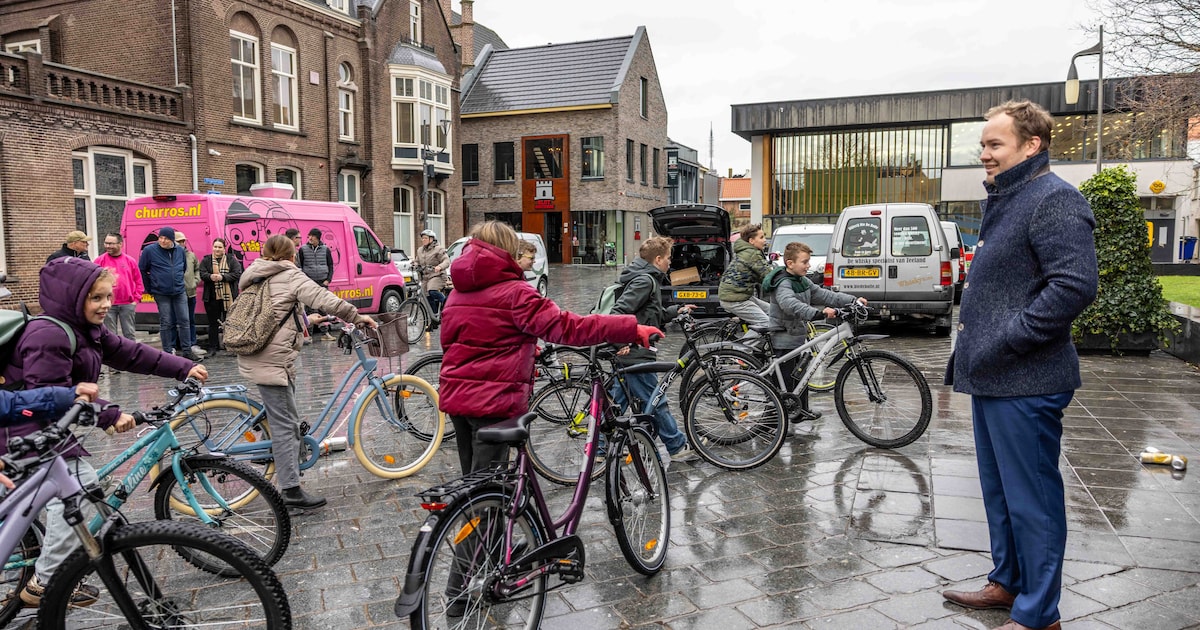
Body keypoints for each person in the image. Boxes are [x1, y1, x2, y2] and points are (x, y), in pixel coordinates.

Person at [940, 100, 1097, 630]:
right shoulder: (1010, 197)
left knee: (1033, 500)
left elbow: (1074, 286)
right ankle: (1008, 582)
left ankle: (1039, 613)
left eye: (995, 144)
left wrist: (1009, 340)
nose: (984, 154)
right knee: (1001, 492)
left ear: (1032, 145)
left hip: (1027, 378)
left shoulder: (1054, 199)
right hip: (994, 376)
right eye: (982, 145)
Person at [1, 257, 207, 607]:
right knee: (81, 486)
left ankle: (50, 566)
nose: (106, 304)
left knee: (64, 494)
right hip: (20, 430)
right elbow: (51, 394)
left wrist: (183, 367)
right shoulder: (48, 335)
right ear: (72, 297)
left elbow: (130, 353)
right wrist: (110, 415)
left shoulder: (85, 328)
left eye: (108, 296)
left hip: (44, 429)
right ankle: (47, 582)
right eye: (96, 298)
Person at [438, 220, 656, 476]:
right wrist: (629, 328)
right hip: (491, 400)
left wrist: (523, 351)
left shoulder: (457, 294)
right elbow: (567, 327)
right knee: (488, 485)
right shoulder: (515, 293)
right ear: (508, 249)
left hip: (457, 397)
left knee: (471, 481)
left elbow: (459, 343)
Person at [236, 234, 377, 509]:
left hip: (258, 353)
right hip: (272, 361)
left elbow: (273, 311)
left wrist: (307, 319)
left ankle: (276, 454)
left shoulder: (257, 274)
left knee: (283, 416)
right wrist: (357, 317)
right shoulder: (289, 274)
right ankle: (290, 490)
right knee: (286, 427)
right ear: (292, 256)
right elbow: (324, 298)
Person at [609, 236, 699, 463]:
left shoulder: (647, 278)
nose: (670, 262)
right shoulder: (645, 281)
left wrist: (677, 311)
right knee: (655, 399)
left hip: (633, 349)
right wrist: (621, 343)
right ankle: (677, 446)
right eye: (668, 258)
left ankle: (601, 448)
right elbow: (618, 312)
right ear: (658, 259)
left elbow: (651, 314)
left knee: (617, 403)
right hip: (636, 351)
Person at [762, 241, 866, 422]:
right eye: (804, 262)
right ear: (790, 263)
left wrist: (852, 300)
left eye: (808, 261)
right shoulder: (783, 283)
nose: (808, 265)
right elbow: (789, 304)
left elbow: (825, 295)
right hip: (783, 338)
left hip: (796, 336)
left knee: (800, 374)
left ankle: (800, 411)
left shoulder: (802, 281)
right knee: (783, 383)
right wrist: (817, 313)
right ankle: (771, 423)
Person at [138, 226, 197, 360]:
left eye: (166, 238)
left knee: (184, 320)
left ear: (172, 240)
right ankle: (167, 352)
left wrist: (178, 281)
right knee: (166, 321)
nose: (163, 241)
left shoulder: (180, 250)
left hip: (179, 290)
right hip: (161, 292)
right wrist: (150, 287)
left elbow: (183, 267)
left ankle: (187, 350)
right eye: (161, 238)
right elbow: (142, 269)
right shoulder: (149, 250)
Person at [718, 223, 773, 335]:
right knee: (766, 324)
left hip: (739, 296)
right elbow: (768, 275)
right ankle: (744, 346)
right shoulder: (751, 254)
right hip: (735, 299)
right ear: (751, 241)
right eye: (761, 237)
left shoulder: (747, 251)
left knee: (773, 312)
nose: (765, 240)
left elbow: (760, 276)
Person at [94, 232, 143, 340]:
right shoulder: (99, 261)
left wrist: (136, 300)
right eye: (106, 243)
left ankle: (130, 351)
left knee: (129, 334)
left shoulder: (130, 261)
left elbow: (138, 281)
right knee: (110, 335)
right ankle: (112, 352)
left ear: (120, 244)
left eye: (111, 243)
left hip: (127, 304)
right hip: (108, 304)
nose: (108, 246)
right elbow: (93, 281)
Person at [198, 237, 243, 354]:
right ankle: (213, 347)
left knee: (230, 323)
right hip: (212, 297)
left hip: (229, 298)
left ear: (224, 249)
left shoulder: (231, 260)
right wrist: (210, 277)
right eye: (215, 247)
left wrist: (223, 277)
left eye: (219, 247)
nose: (217, 249)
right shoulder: (206, 260)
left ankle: (231, 346)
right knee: (213, 323)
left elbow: (237, 273)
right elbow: (202, 273)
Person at [298, 228, 335, 340]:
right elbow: (300, 266)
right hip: (309, 283)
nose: (309, 238)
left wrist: (328, 280)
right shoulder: (303, 249)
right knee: (310, 309)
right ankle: (308, 335)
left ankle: (325, 333)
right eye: (309, 236)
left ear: (317, 238)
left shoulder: (326, 249)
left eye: (312, 236)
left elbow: (330, 265)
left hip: (322, 282)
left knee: (323, 308)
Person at [175, 231, 205, 357]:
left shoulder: (191, 255)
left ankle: (192, 343)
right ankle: (175, 345)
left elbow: (197, 269)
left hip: (190, 293)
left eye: (183, 241)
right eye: (179, 241)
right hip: (176, 293)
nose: (182, 243)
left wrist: (195, 281)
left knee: (190, 320)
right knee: (175, 320)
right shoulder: (172, 255)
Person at [414, 229, 450, 320]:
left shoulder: (438, 249)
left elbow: (446, 261)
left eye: (425, 238)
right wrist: (414, 264)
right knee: (427, 296)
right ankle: (435, 317)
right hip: (425, 277)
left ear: (431, 239)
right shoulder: (420, 250)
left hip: (437, 275)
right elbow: (417, 261)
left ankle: (447, 304)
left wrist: (440, 267)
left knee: (432, 290)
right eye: (422, 238)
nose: (423, 240)